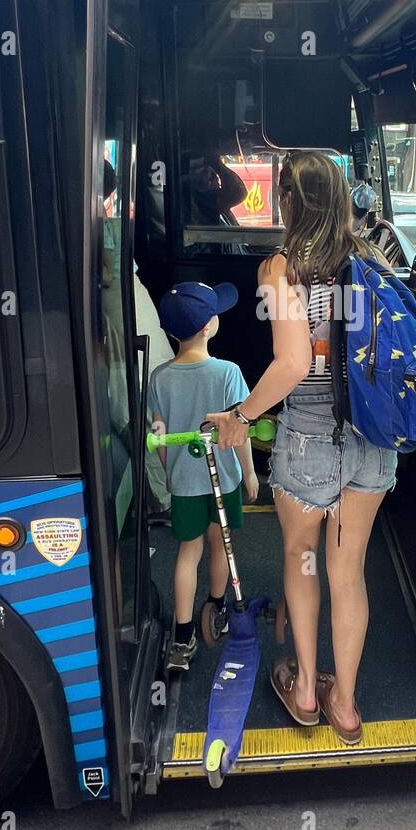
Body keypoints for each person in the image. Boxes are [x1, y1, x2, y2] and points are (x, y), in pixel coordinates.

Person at [206, 152, 396, 747]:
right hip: (370, 439)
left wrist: (241, 414)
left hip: (310, 439)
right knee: (349, 573)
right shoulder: (372, 259)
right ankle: (346, 705)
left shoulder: (284, 269)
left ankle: (307, 691)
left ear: (287, 199)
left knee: (302, 561)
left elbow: (292, 364)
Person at [148, 281, 259, 673]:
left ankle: (182, 637)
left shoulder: (159, 378)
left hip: (184, 483)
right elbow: (239, 428)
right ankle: (216, 607)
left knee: (187, 552)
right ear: (211, 326)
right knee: (219, 544)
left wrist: (171, 473)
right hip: (223, 479)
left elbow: (158, 438)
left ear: (171, 332)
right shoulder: (228, 373)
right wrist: (249, 472)